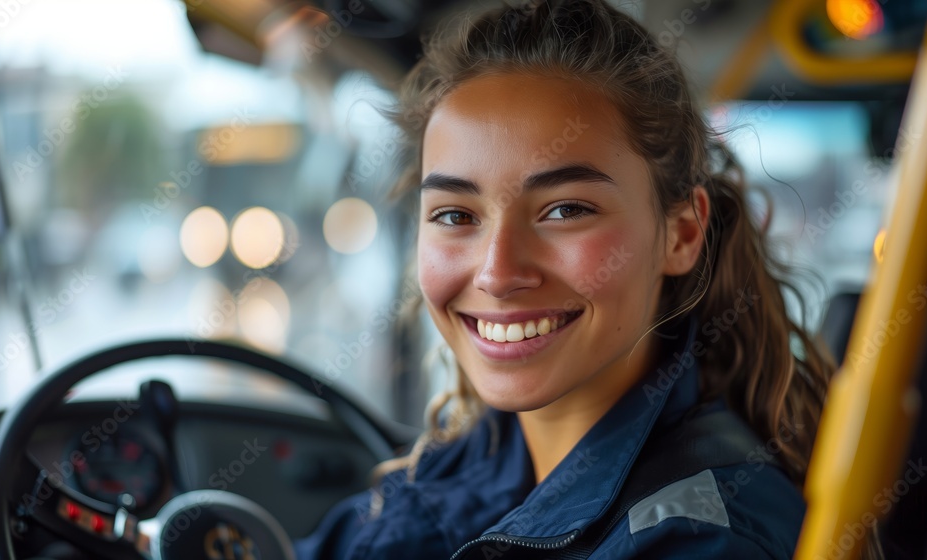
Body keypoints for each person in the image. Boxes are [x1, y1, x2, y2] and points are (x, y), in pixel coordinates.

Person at [294, 0, 881, 558]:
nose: (498, 273)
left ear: (680, 236)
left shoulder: (699, 538)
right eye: (455, 215)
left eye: (566, 210)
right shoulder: (477, 459)